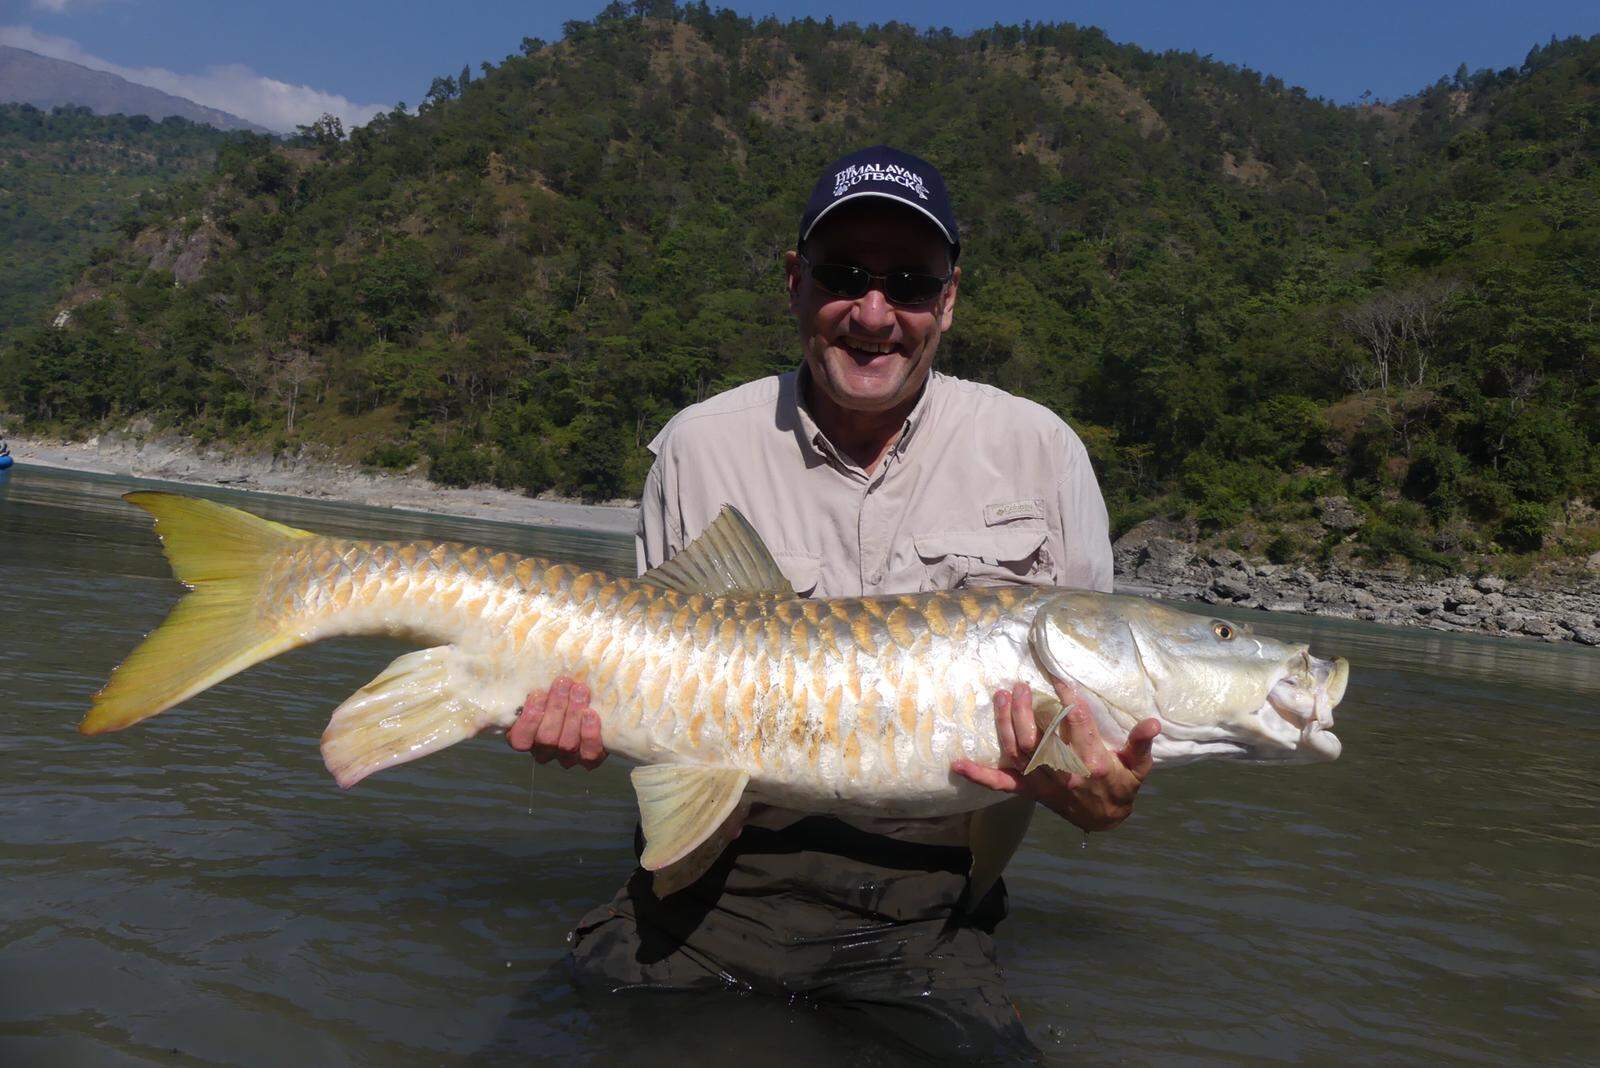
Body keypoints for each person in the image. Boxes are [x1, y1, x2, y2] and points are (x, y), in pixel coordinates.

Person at [506, 146, 1160, 1057]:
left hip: (924, 908)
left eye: (911, 281)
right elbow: (650, 684)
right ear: (795, 282)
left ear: (950, 299)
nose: (875, 312)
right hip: (714, 881)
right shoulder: (699, 448)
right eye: (845, 275)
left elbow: (1082, 742)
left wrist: (1099, 801)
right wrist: (587, 719)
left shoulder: (1043, 454)